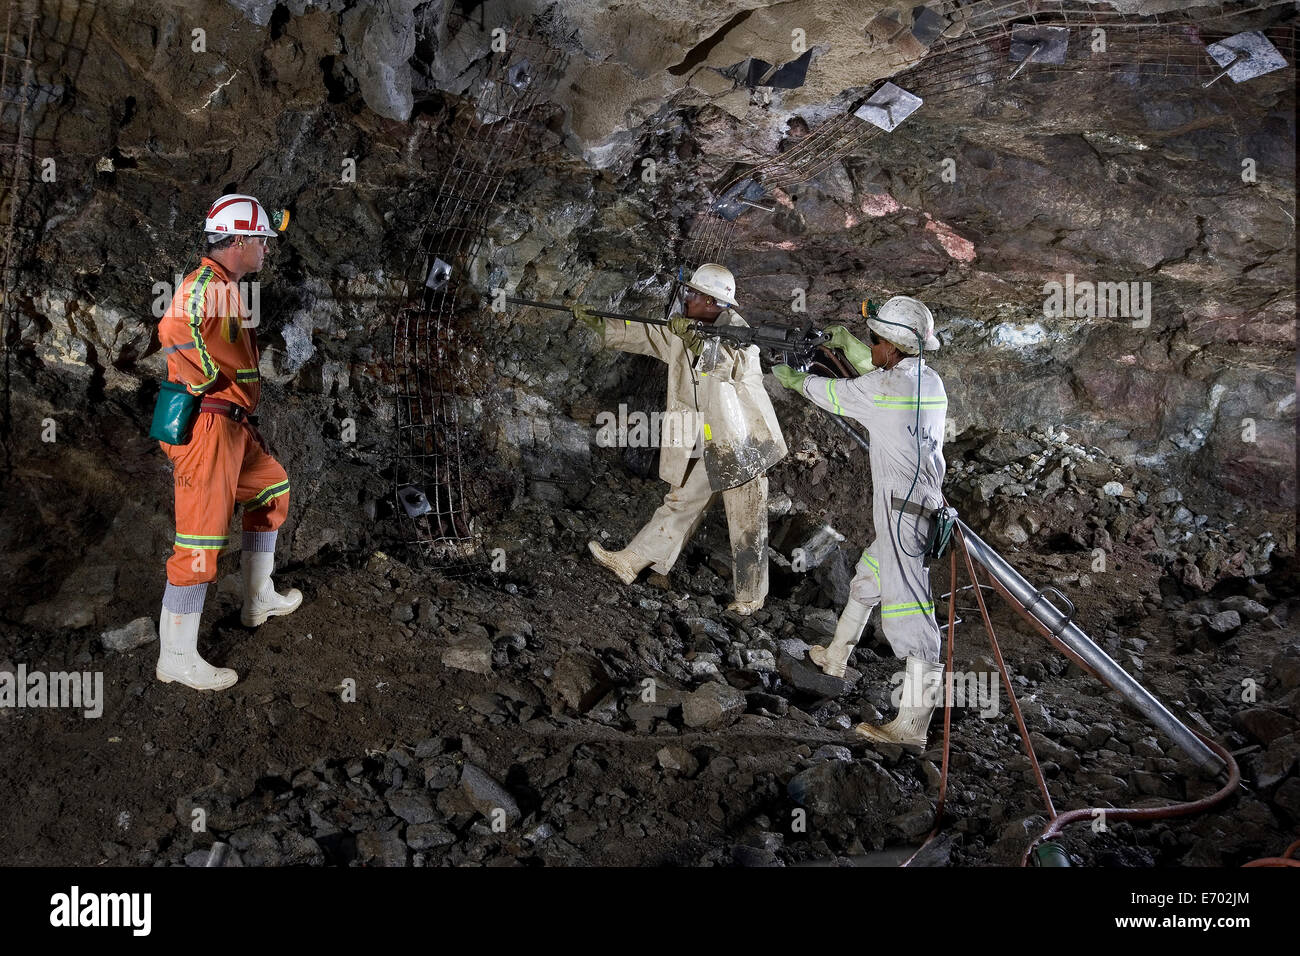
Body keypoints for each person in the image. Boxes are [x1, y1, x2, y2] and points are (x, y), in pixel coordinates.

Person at [772, 296, 948, 750]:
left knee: (913, 618)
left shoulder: (881, 391)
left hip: (902, 516)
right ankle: (834, 657)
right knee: (866, 581)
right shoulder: (929, 382)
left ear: (890, 346)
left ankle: (912, 726)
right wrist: (849, 343)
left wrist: (792, 378)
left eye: (873, 339)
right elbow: (881, 372)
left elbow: (831, 393)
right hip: (921, 507)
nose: (869, 345)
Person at [575, 264, 787, 615]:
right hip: (704, 436)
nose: (685, 298)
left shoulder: (742, 335)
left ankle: (751, 598)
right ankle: (632, 561)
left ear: (710, 300)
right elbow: (649, 336)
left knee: (747, 520)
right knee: (681, 501)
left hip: (741, 443)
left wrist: (696, 343)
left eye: (691, 293)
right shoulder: (685, 328)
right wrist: (604, 328)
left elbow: (732, 367)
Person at [154, 193, 299, 691]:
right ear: (237, 240)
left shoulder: (227, 288)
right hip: (210, 430)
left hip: (233, 426)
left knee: (271, 488)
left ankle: (257, 598)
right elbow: (173, 327)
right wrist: (208, 381)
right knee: (198, 544)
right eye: (260, 239)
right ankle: (176, 657)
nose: (266, 248)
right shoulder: (204, 288)